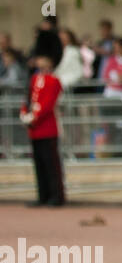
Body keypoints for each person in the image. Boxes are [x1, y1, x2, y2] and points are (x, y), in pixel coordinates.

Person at [20, 54, 65, 206]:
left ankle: (56, 196)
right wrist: (24, 112)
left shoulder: (54, 80)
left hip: (47, 127)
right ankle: (43, 196)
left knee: (52, 165)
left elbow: (48, 103)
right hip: (35, 129)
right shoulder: (34, 79)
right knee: (39, 165)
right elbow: (29, 98)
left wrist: (35, 116)